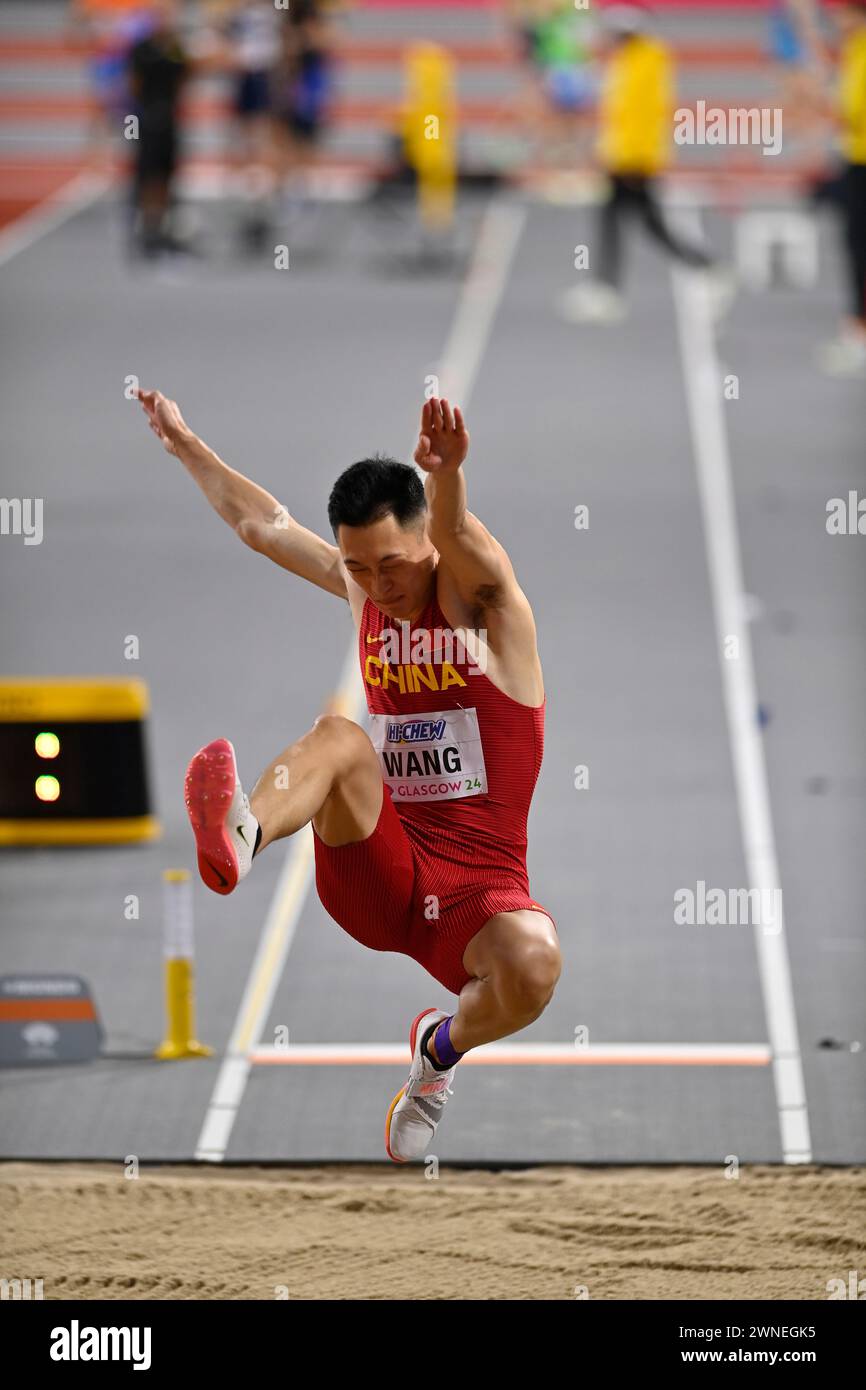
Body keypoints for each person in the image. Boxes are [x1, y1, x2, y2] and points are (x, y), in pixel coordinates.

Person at [136, 386, 560, 1162]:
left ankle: (438, 1055)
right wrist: (189, 447)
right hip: (381, 870)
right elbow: (260, 526)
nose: (379, 585)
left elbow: (461, 530)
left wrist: (448, 477)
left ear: (427, 539)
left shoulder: (489, 611)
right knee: (340, 736)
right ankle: (240, 835)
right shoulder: (367, 588)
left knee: (535, 967)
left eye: (392, 565)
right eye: (360, 566)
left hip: (477, 896)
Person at [559, 4, 715, 324]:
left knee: (642, 222)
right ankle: (608, 286)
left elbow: (640, 119)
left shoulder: (646, 63)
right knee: (624, 221)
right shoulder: (629, 62)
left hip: (633, 160)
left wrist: (629, 159)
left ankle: (703, 267)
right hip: (624, 157)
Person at [818, 1, 866, 375]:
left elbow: (853, 112)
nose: (838, 20)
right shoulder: (852, 50)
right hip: (854, 159)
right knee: (854, 246)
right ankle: (856, 329)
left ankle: (859, 333)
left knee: (859, 248)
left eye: (845, 13)